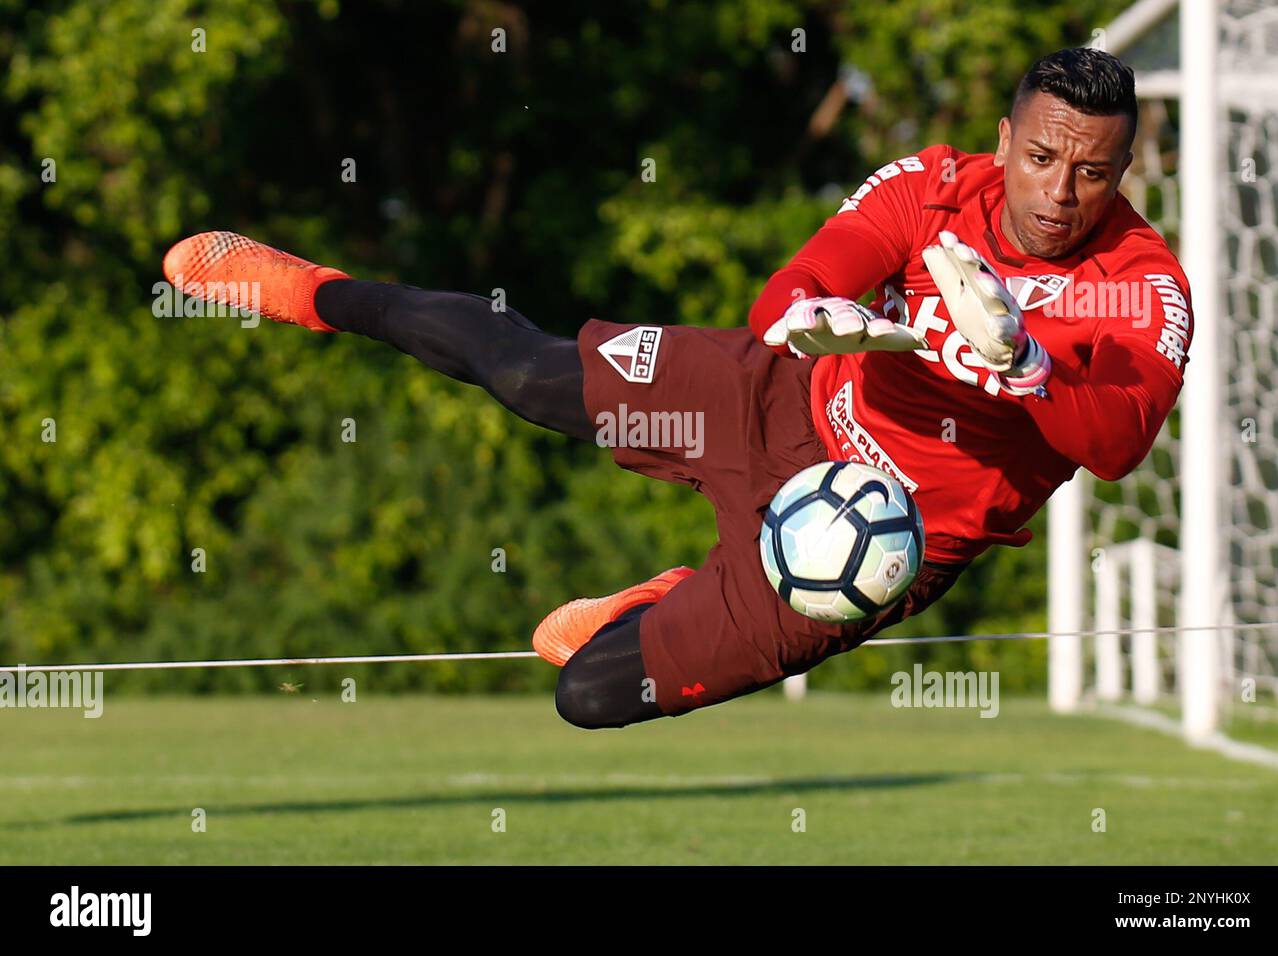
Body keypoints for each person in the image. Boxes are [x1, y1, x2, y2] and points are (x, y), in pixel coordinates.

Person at [162, 47, 1192, 730]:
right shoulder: (932, 181)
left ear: (1124, 168)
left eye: (1092, 172)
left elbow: (1115, 441)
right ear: (1004, 142)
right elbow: (794, 285)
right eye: (1043, 157)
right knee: (527, 371)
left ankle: (672, 592)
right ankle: (313, 289)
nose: (1059, 192)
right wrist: (813, 316)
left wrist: (1026, 368)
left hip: (866, 543)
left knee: (589, 692)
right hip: (773, 401)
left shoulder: (1145, 288)